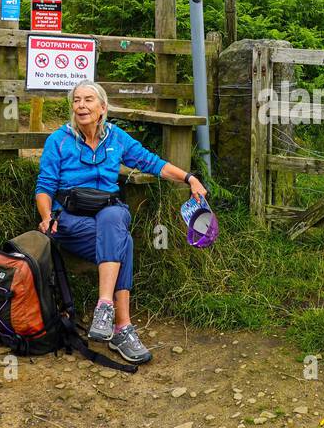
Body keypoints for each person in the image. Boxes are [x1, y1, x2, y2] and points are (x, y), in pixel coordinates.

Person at [35, 80, 207, 364]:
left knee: (114, 216)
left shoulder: (116, 137)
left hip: (108, 212)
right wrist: (45, 217)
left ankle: (105, 306)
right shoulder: (59, 140)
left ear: (102, 108)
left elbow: (151, 162)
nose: (81, 105)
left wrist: (190, 178)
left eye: (88, 100)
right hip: (69, 220)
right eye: (76, 100)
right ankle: (121, 328)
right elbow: (44, 186)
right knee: (123, 241)